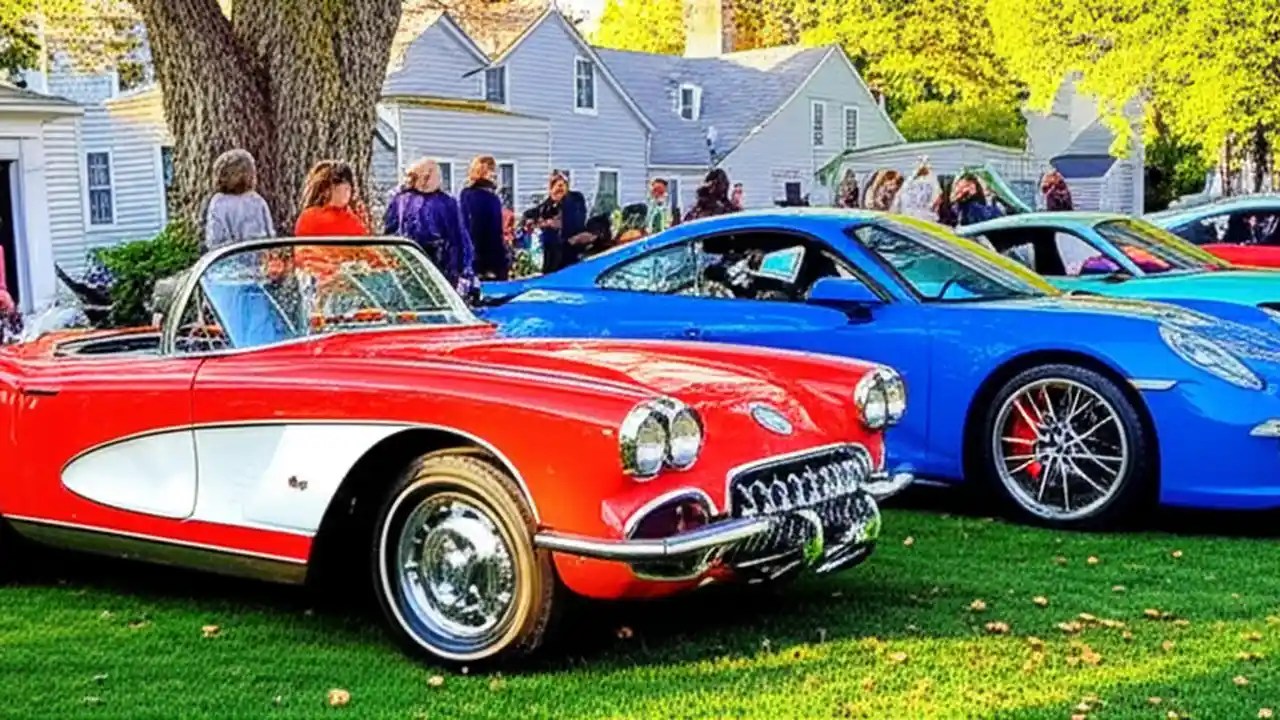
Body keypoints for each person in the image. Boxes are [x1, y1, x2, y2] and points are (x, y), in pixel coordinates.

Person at [384, 158, 476, 292]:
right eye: (437, 175)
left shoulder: (401, 200)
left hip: (421, 265)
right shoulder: (403, 201)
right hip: (426, 265)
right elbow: (459, 240)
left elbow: (459, 239)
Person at [203, 149, 275, 251]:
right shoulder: (257, 201)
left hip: (229, 260)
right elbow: (269, 236)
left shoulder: (218, 203)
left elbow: (214, 240)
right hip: (257, 260)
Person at [459, 155, 508, 280]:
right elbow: (493, 232)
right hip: (488, 259)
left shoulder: (465, 194)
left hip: (470, 255)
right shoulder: (490, 199)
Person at [530, 172, 587, 274]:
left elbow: (577, 221)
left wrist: (559, 224)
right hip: (551, 256)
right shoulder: (547, 205)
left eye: (562, 184)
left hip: (570, 253)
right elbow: (533, 213)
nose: (559, 189)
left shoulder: (575, 199)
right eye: (556, 185)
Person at [295, 160, 370, 236]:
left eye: (349, 182)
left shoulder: (355, 218)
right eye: (339, 181)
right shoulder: (309, 218)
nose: (347, 186)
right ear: (325, 189)